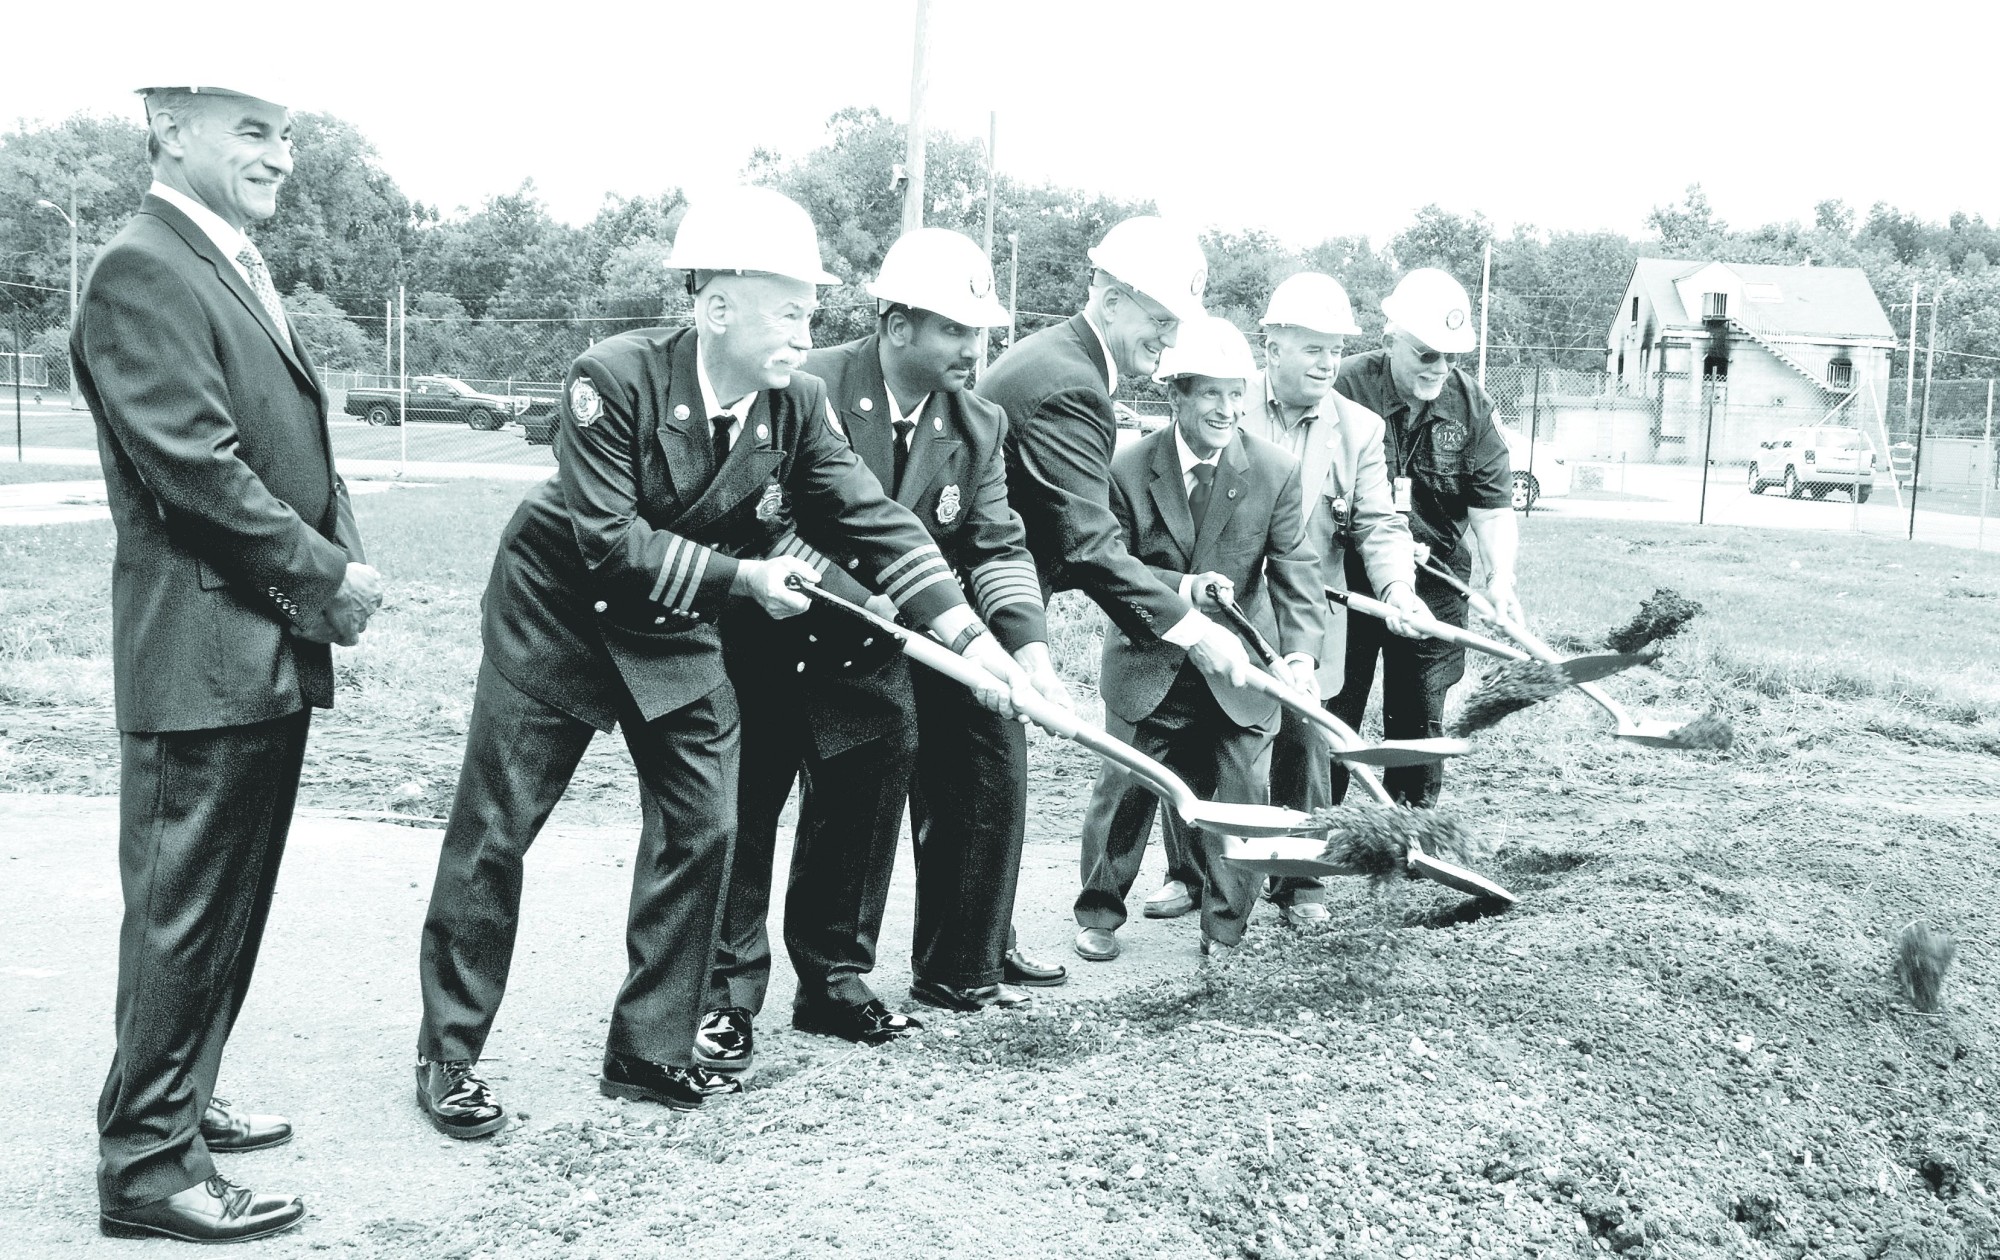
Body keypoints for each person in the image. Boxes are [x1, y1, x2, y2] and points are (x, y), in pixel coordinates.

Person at [414, 188, 1029, 1129]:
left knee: (703, 825)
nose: (804, 330)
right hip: (562, 616)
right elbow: (611, 544)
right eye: (786, 309)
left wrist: (977, 644)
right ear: (714, 309)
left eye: (808, 311)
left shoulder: (800, 403)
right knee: (499, 828)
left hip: (673, 623)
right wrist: (745, 581)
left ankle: (648, 1052)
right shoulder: (611, 376)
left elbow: (876, 523)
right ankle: (449, 1054)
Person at [77, 79, 381, 1244]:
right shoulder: (143, 267)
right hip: (199, 651)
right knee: (184, 912)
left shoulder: (223, 261)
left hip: (252, 645)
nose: (283, 155)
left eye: (288, 132)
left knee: (222, 911)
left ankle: (177, 1106)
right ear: (170, 127)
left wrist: (333, 568)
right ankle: (147, 1171)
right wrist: (322, 575)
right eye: (253, 130)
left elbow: (293, 442)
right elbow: (196, 469)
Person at [696, 230, 1069, 1081]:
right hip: (769, 640)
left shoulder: (979, 423)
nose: (976, 350)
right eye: (954, 331)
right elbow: (770, 518)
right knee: (746, 815)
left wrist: (1028, 651)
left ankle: (831, 978)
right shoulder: (803, 380)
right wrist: (888, 604)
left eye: (979, 332)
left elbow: (997, 548)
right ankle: (724, 993)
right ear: (898, 325)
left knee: (859, 817)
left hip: (873, 664)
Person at [977, 218, 1257, 965]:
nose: (1166, 338)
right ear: (1110, 299)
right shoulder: (1072, 384)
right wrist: (1196, 629)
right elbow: (1088, 544)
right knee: (986, 783)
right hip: (980, 603)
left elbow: (1071, 543)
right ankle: (969, 957)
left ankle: (977, 948)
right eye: (1159, 319)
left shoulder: (1063, 364)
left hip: (995, 595)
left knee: (988, 782)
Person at [1070, 316, 1322, 963]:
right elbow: (1106, 567)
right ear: (1175, 394)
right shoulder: (1126, 469)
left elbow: (1296, 573)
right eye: (1211, 393)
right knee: (1124, 789)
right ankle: (1099, 911)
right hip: (1149, 657)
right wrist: (1182, 588)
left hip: (1237, 670)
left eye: (1236, 393)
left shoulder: (1275, 471)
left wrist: (1298, 656)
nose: (1228, 408)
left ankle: (1226, 929)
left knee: (1243, 793)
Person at [1224, 272, 1425, 925]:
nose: (1328, 361)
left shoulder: (1360, 428)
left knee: (1307, 744)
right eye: (1312, 347)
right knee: (1221, 740)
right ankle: (1196, 872)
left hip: (1311, 608)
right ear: (1273, 343)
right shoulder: (1229, 403)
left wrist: (1398, 588)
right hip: (1230, 604)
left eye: (1336, 348)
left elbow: (1379, 523)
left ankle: (1300, 880)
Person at [1330, 268, 1520, 807]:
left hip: (1435, 581)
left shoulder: (1472, 406)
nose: (1440, 368)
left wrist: (1500, 576)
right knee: (1334, 705)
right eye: (1427, 354)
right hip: (1346, 574)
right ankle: (1313, 846)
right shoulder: (1344, 385)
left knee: (1419, 711)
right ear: (1391, 340)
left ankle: (1408, 833)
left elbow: (1493, 510)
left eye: (1451, 357)